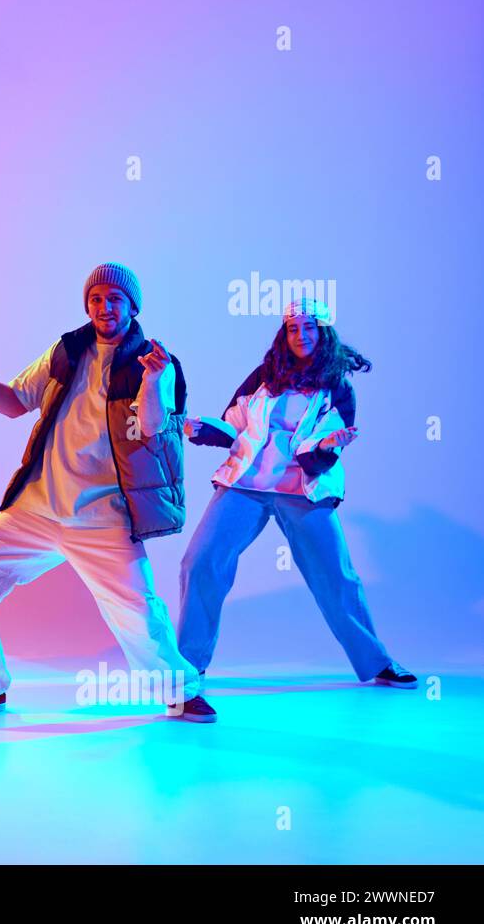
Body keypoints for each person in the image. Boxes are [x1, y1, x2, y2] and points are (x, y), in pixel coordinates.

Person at [0, 263, 215, 722]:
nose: (104, 307)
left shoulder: (155, 361)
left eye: (114, 299)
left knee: (137, 609)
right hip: (37, 509)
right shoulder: (67, 350)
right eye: (96, 299)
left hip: (103, 516)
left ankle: (180, 690)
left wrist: (151, 380)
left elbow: (150, 428)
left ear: (132, 307)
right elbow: (14, 402)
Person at [178, 297, 417, 698]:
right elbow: (234, 422)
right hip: (246, 485)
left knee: (335, 576)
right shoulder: (265, 375)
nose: (300, 335)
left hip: (303, 488)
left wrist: (327, 446)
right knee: (200, 561)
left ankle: (376, 661)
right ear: (283, 334)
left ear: (322, 333)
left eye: (308, 328)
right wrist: (198, 427)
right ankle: (187, 667)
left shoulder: (337, 388)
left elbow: (322, 448)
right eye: (292, 328)